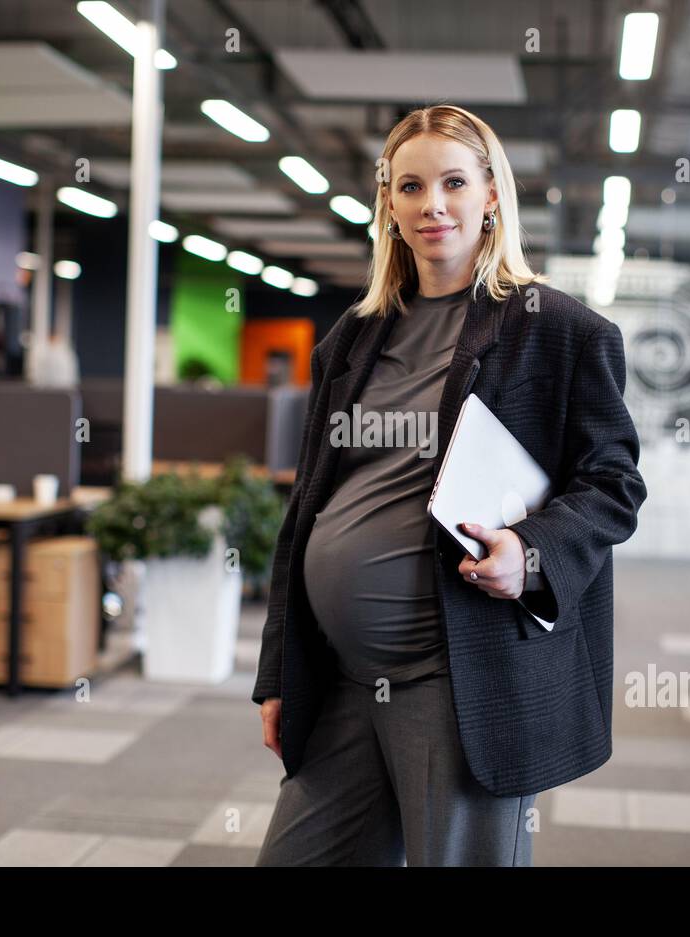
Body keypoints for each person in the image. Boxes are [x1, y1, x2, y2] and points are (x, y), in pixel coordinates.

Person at [253, 104, 647, 866]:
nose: (432, 204)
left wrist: (529, 554)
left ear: (492, 195)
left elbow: (613, 485)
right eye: (410, 187)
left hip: (455, 680)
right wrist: (280, 672)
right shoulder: (354, 340)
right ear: (389, 207)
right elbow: (305, 514)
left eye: (454, 182)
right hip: (341, 680)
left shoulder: (558, 331)